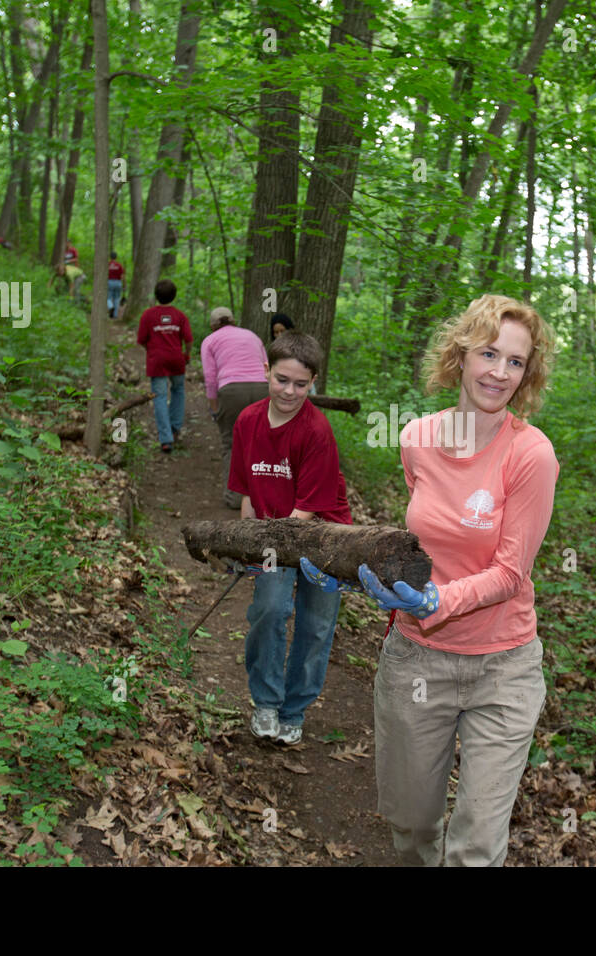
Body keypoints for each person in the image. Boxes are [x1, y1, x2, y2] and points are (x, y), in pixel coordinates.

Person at [302, 293, 558, 866]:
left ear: (528, 373)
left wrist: (438, 599)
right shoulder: (417, 439)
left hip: (503, 668)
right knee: (412, 825)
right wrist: (356, 571)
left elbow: (511, 573)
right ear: (461, 354)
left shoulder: (531, 455)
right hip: (416, 659)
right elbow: (425, 540)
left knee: (475, 846)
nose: (499, 372)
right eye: (489, 354)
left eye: (515, 361)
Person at [229, 332, 351, 746]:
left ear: (313, 381)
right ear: (266, 370)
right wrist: (248, 547)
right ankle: (265, 701)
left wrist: (267, 542)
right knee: (269, 608)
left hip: (323, 537)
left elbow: (307, 513)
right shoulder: (247, 421)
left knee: (315, 626)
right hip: (271, 534)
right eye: (282, 379)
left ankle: (293, 710)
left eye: (301, 384)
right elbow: (247, 492)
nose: (290, 391)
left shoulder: (316, 430)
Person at [200, 306, 269, 509]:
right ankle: (263, 496)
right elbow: (267, 367)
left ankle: (236, 497)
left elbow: (210, 378)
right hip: (262, 389)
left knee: (231, 443)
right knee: (261, 442)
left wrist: (214, 408)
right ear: (233, 320)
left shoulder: (210, 341)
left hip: (231, 391)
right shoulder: (253, 336)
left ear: (213, 325)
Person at [136, 279, 193, 454]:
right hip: (176, 359)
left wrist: (152, 351)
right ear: (174, 296)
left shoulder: (148, 315)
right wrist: (186, 355)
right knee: (178, 391)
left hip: (157, 361)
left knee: (159, 397)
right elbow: (188, 340)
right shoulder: (180, 316)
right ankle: (175, 427)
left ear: (156, 295)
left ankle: (166, 439)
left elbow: (141, 340)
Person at [63, 238, 84, 302]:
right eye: (66, 243)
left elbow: (76, 259)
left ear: (70, 243)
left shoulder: (73, 250)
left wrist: (68, 261)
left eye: (68, 243)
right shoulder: (64, 251)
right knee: (68, 285)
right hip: (66, 270)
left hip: (73, 270)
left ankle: (76, 300)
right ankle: (68, 298)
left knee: (74, 286)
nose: (67, 244)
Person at [107, 252, 125, 319]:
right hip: (118, 282)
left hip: (109, 282)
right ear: (116, 257)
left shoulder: (107, 265)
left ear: (110, 257)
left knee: (108, 298)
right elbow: (122, 276)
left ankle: (110, 307)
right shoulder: (119, 265)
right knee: (117, 299)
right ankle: (115, 315)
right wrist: (124, 285)